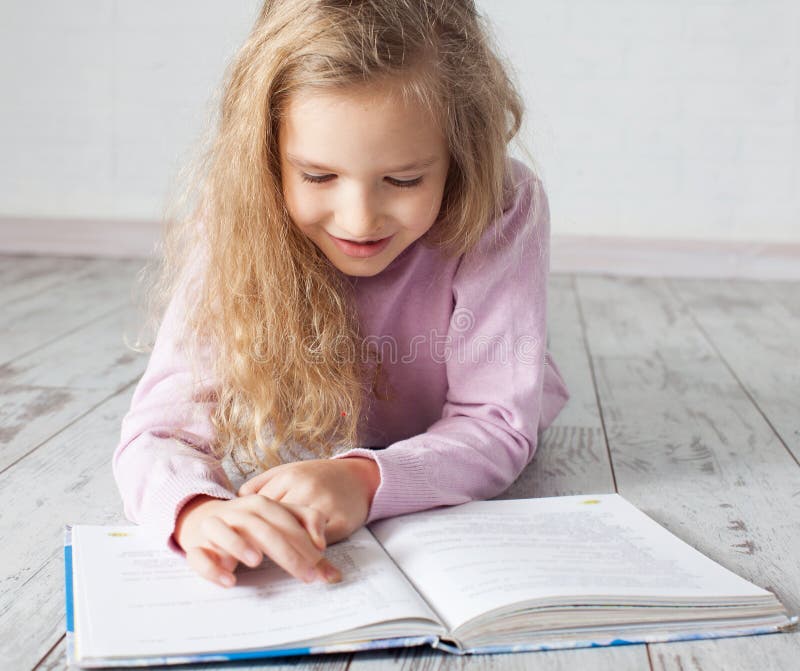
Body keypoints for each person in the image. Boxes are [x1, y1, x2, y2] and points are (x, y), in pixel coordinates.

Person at [113, 0, 570, 591]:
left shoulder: (502, 202)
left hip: (439, 428)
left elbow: (497, 422)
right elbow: (157, 431)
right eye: (318, 176)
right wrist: (197, 510)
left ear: (460, 153)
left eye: (404, 180)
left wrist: (363, 480)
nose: (359, 221)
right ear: (268, 155)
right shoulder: (239, 211)